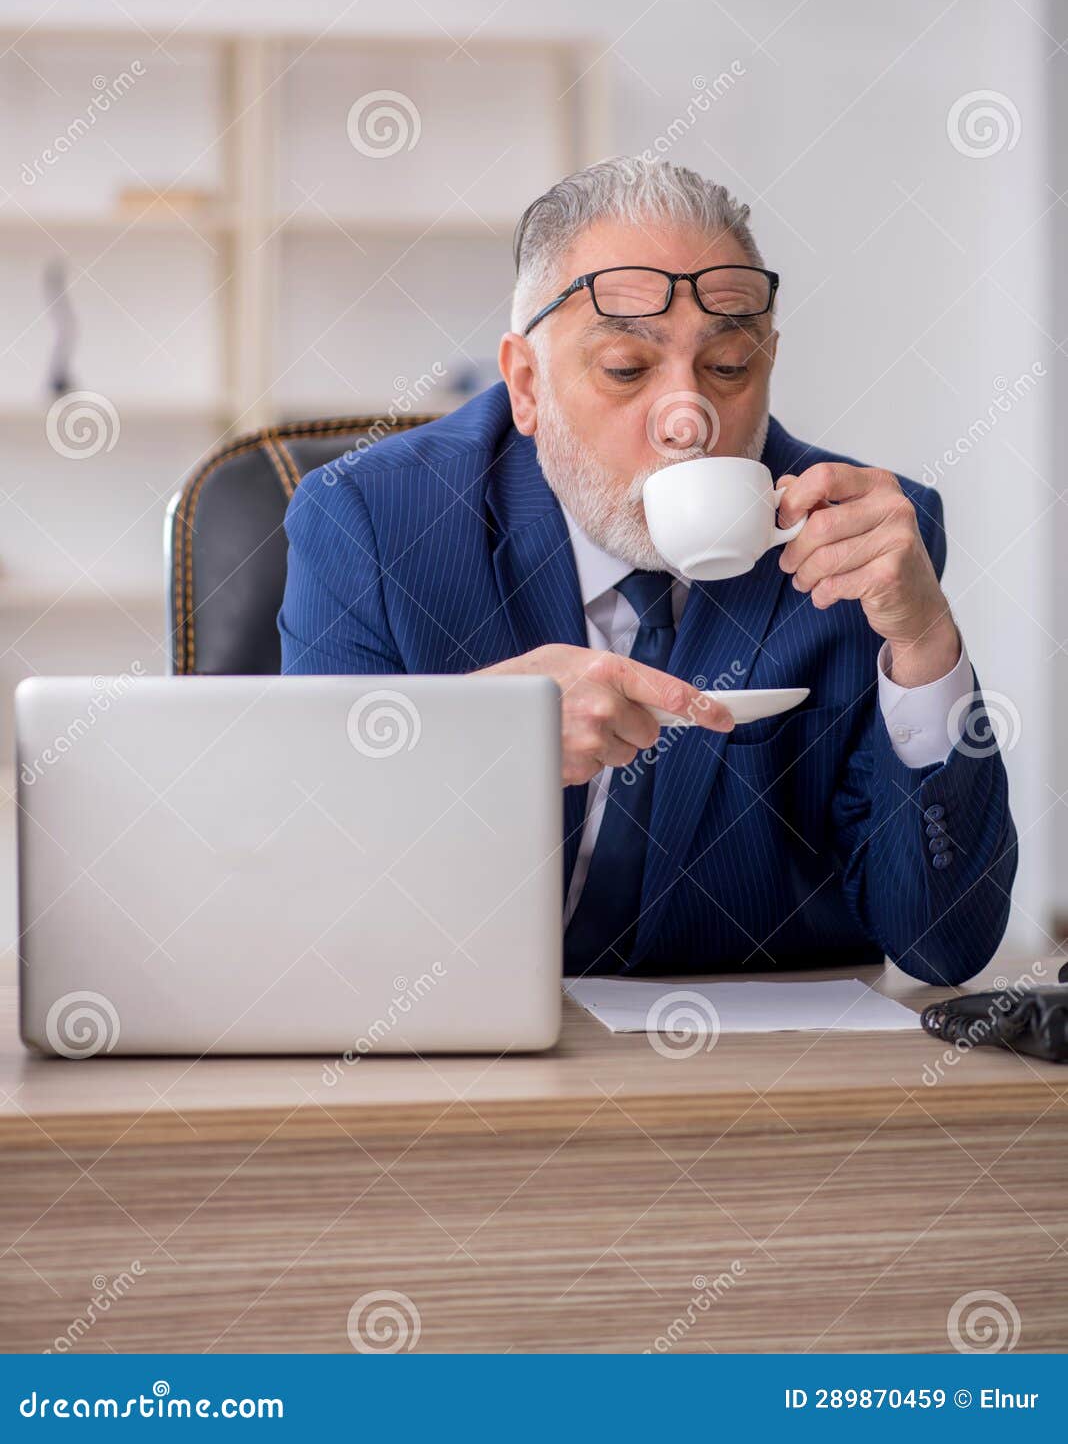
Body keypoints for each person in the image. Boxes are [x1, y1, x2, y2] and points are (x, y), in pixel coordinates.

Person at [279, 157, 1016, 982]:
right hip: (456, 1057)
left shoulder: (858, 548)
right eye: (628, 369)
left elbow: (944, 943)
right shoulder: (374, 522)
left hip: (755, 1085)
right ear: (526, 384)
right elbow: (307, 881)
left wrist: (924, 646)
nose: (686, 421)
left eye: (728, 367)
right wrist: (481, 742)